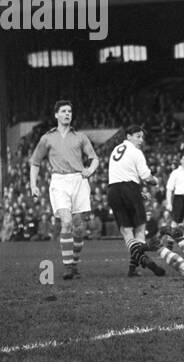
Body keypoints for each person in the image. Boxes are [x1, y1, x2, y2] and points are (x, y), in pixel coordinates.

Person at [29, 100, 99, 281]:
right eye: (64, 111)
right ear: (56, 115)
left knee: (79, 228)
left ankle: (74, 262)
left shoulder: (80, 136)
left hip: (79, 181)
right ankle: (68, 267)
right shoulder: (47, 138)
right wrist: (33, 185)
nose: (68, 113)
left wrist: (90, 170)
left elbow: (94, 158)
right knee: (66, 222)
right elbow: (35, 162)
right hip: (59, 182)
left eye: (69, 111)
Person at [105, 125, 166, 277]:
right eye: (138, 136)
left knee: (126, 232)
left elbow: (120, 174)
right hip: (129, 189)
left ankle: (133, 268)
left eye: (142, 137)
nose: (141, 140)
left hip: (113, 191)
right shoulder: (136, 152)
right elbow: (146, 177)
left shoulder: (115, 151)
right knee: (139, 230)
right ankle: (143, 259)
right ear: (129, 136)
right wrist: (156, 181)